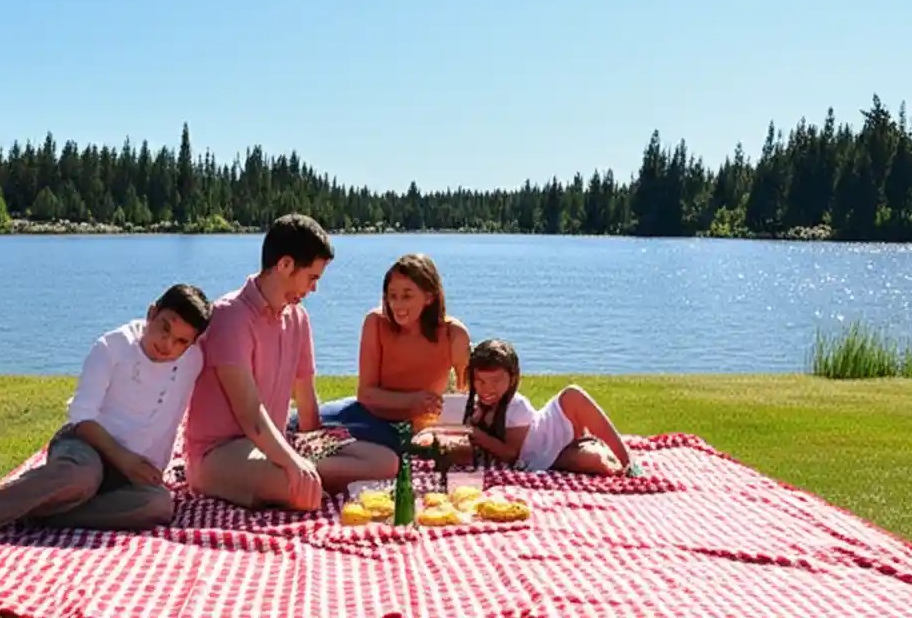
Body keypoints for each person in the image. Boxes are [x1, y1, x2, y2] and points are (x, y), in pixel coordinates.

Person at [0, 283, 214, 550]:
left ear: (192, 343)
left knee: (158, 506)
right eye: (164, 328)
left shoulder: (193, 360)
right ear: (152, 312)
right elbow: (81, 417)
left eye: (181, 340)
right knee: (80, 478)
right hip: (85, 448)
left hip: (132, 475)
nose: (167, 344)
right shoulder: (112, 347)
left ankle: (33, 512)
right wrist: (124, 459)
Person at [183, 213, 398, 511]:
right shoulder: (230, 316)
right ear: (285, 265)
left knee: (386, 462)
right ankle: (300, 479)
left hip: (272, 444)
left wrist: (315, 448)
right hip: (219, 453)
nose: (314, 289)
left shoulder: (298, 319)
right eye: (312, 278)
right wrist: (294, 462)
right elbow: (251, 416)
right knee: (301, 492)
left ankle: (303, 477)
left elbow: (307, 401)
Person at [301, 253, 470, 453]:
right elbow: (366, 394)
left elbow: (466, 398)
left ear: (429, 297)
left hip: (418, 429)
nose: (397, 305)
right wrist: (412, 401)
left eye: (407, 296)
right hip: (365, 415)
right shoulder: (375, 322)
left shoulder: (454, 334)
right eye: (392, 296)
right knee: (297, 424)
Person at [460, 338, 634, 475]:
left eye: (496, 381)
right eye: (480, 381)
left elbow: (511, 454)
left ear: (512, 379)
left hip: (549, 435)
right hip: (548, 458)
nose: (487, 388)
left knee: (572, 395)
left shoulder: (516, 406)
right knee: (594, 460)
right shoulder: (479, 406)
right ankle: (587, 445)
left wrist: (478, 435)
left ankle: (627, 462)